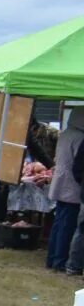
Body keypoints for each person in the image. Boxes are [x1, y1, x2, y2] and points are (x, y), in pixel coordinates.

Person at [47, 109, 84, 272]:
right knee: (67, 225)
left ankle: (52, 257)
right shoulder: (80, 137)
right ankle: (60, 260)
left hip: (60, 181)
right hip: (72, 186)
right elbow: (79, 164)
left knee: (58, 223)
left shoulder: (65, 134)